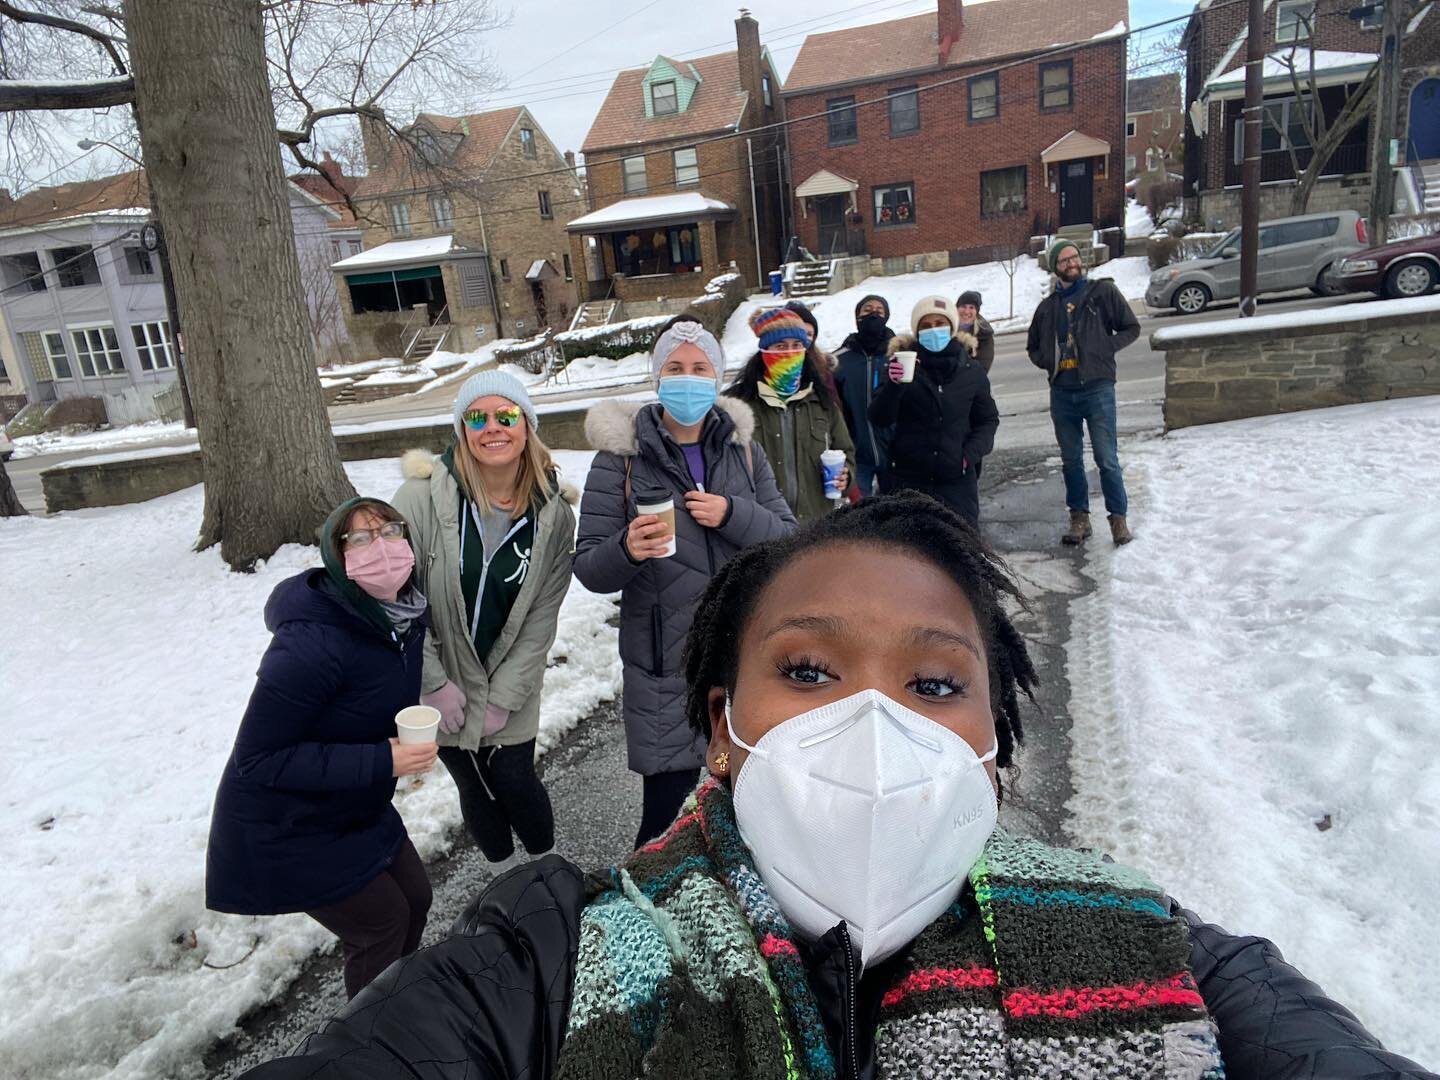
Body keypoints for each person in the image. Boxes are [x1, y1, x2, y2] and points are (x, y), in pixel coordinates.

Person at [244, 494, 1436, 1079]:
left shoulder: (1174, 961)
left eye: (933, 684)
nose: (871, 722)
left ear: (992, 748)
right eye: (807, 670)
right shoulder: (546, 962)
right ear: (721, 729)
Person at [573, 312, 796, 848]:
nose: (688, 378)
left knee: (749, 806)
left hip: (742, 658)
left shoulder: (743, 450)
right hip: (663, 665)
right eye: (675, 367)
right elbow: (589, 568)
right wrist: (627, 547)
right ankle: (647, 907)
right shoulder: (619, 460)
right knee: (662, 824)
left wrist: (733, 514)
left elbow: (789, 539)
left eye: (700, 368)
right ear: (657, 376)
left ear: (716, 379)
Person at [205, 496, 435, 1000]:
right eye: (361, 538)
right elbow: (259, 757)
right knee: (382, 924)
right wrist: (384, 759)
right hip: (285, 824)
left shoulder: (403, 618)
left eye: (391, 532)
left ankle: (398, 1007)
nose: (382, 547)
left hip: (352, 804)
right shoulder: (312, 642)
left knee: (416, 899)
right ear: (339, 557)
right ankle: (366, 1046)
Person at [390, 372, 576, 866]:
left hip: (511, 672)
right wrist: (432, 683)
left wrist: (507, 694)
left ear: (526, 425)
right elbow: (396, 598)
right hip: (441, 676)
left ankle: (548, 873)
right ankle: (505, 877)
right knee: (471, 782)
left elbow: (543, 612)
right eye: (477, 416)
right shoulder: (418, 500)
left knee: (513, 776)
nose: (492, 427)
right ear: (462, 429)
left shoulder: (554, 513)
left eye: (506, 415)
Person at [1027, 238, 1142, 547]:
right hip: (1062, 393)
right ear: (1055, 268)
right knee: (1071, 460)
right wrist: (1050, 364)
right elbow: (1033, 347)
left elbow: (1131, 328)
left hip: (1098, 389)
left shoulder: (1102, 293)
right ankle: (1079, 519)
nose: (1072, 263)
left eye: (1074, 257)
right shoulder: (1047, 308)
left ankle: (1118, 520)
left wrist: (1107, 347)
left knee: (1106, 458)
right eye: (1064, 260)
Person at [870, 295, 999, 526]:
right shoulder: (901, 365)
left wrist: (968, 456)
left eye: (940, 324)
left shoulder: (971, 370)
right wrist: (894, 386)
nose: (933, 330)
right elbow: (879, 418)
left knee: (960, 553)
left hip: (957, 485)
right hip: (908, 484)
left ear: (951, 327)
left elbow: (987, 421)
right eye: (926, 326)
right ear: (917, 331)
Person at [724, 307, 855, 522]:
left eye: (797, 346)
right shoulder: (735, 405)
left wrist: (845, 476)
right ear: (765, 352)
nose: (789, 353)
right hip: (760, 526)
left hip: (815, 526)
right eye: (780, 346)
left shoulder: (822, 402)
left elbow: (846, 452)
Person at [833, 293, 895, 496]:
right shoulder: (840, 360)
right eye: (867, 310)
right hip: (857, 455)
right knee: (862, 517)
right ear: (857, 317)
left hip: (895, 453)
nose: (873, 314)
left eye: (879, 311)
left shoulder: (899, 356)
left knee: (899, 515)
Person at [955, 289, 995, 373]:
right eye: (963, 306)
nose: (966, 312)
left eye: (971, 307)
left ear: (976, 311)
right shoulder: (945, 327)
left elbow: (983, 366)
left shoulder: (984, 333)